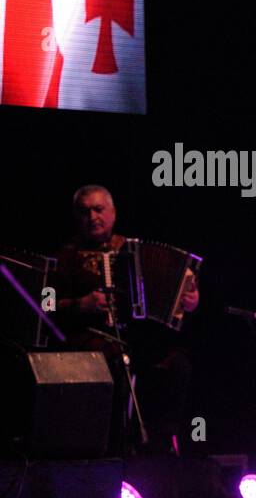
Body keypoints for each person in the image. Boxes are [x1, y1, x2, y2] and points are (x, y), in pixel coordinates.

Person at [52, 185, 198, 453]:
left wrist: (188, 299)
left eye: (99, 209)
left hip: (138, 338)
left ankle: (164, 441)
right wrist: (80, 304)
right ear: (76, 217)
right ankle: (117, 445)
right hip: (89, 339)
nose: (93, 217)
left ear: (113, 213)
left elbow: (176, 285)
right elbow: (43, 302)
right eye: (85, 212)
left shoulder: (131, 249)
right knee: (116, 362)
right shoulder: (65, 256)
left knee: (178, 365)